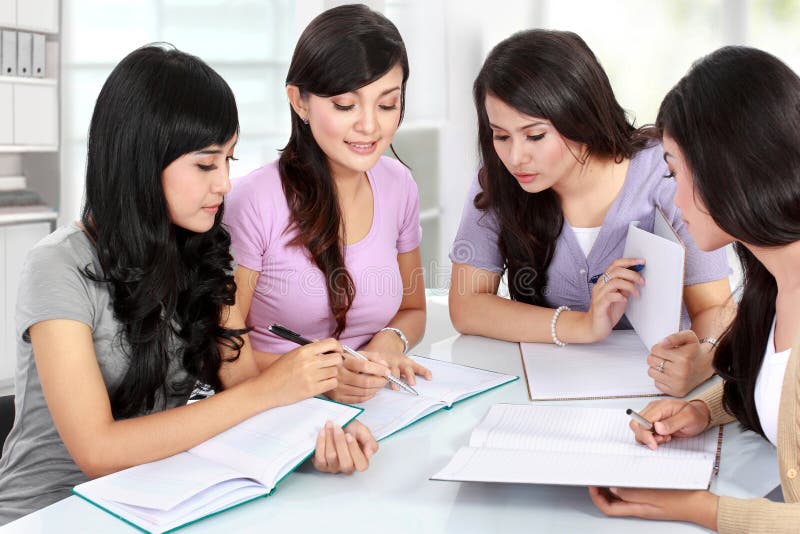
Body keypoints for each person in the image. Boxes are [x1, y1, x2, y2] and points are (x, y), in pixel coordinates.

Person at [0, 44, 376, 525]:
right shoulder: (57, 267)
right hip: (54, 511)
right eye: (205, 164)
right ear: (140, 161)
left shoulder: (205, 251)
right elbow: (98, 450)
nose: (223, 184)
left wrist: (323, 433)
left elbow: (244, 384)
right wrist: (267, 393)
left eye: (229, 161)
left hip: (163, 497)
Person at [448, 29, 734, 397]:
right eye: (501, 136)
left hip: (658, 392)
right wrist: (582, 326)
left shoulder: (664, 173)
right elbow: (467, 306)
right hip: (544, 395)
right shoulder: (497, 183)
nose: (515, 157)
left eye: (535, 136)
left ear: (579, 118)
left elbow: (715, 306)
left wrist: (704, 357)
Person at [589, 45, 800, 532]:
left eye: (674, 169)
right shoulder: (771, 280)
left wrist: (698, 508)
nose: (673, 194)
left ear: (728, 166)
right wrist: (701, 412)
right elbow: (773, 390)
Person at [224, 4, 431, 406]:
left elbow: (413, 308)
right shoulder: (252, 201)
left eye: (387, 104)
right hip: (272, 408)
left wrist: (387, 345)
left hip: (375, 402)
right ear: (299, 102)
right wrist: (326, 378)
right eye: (345, 105)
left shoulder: (398, 185)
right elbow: (224, 351)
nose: (370, 126)